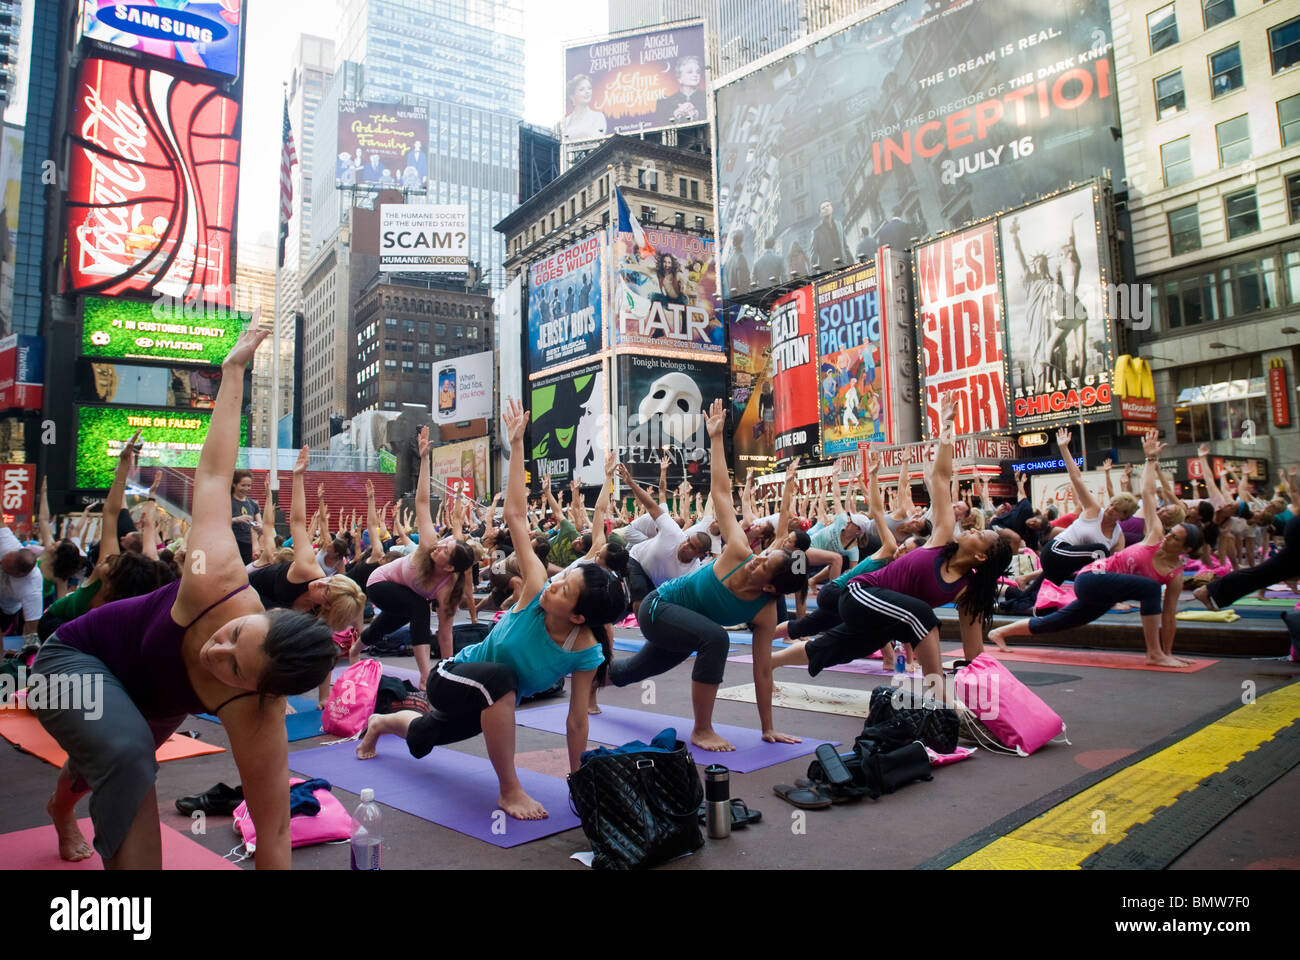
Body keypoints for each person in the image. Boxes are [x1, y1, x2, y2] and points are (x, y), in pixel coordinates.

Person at [33, 327, 337, 868]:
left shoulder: (257, 716)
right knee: (126, 759)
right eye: (234, 638)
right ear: (255, 617)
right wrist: (234, 372)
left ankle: (61, 810)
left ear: (263, 695)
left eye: (234, 670)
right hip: (72, 659)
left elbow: (275, 837)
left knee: (103, 761)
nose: (214, 654)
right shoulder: (215, 578)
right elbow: (215, 476)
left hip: (154, 698)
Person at [356, 399, 626, 820]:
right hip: (453, 676)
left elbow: (577, 722)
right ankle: (509, 790)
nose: (553, 583)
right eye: (560, 577)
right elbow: (516, 517)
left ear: (577, 616)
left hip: (492, 696)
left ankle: (379, 724)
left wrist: (579, 783)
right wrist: (517, 446)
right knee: (501, 680)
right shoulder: (537, 589)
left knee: (426, 735)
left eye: (565, 589)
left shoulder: (586, 650)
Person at [609, 399, 808, 751]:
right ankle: (702, 729)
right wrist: (716, 438)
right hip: (657, 607)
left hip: (684, 629)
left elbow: (763, 670)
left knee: (632, 672)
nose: (755, 561)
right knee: (717, 639)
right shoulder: (737, 550)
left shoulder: (764, 611)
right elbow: (720, 493)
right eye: (761, 556)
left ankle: (593, 680)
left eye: (763, 566)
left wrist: (768, 728)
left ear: (773, 587)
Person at [772, 390, 1012, 680]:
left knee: (833, 647)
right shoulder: (943, 538)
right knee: (924, 616)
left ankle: (768, 663)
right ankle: (938, 699)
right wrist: (947, 424)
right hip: (857, 593)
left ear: (981, 556)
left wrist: (994, 688)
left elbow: (974, 654)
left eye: (980, 534)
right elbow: (940, 478)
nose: (972, 529)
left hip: (886, 617)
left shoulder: (967, 591)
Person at [989, 430, 1206, 666]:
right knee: (1148, 586)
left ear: (1185, 550)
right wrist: (1151, 460)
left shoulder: (1168, 571)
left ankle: (1000, 632)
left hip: (1103, 586)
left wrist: (1170, 653)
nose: (1167, 537)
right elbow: (1147, 493)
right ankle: (1154, 654)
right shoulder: (1153, 535)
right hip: (1085, 571)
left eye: (1175, 538)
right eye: (1171, 532)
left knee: (1062, 620)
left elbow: (1169, 616)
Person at [359, 426, 475, 688]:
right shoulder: (429, 545)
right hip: (379, 582)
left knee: (388, 624)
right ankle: (424, 675)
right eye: (444, 543)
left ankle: (356, 647)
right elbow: (422, 503)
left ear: (450, 568)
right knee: (419, 607)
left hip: (404, 595)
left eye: (445, 550)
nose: (439, 547)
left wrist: (448, 669)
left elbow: (445, 632)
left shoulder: (447, 588)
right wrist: (425, 460)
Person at [1039, 429, 1138, 586]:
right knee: (1100, 551)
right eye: (1111, 504)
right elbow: (1076, 478)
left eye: (1116, 509)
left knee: (1035, 602)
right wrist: (1064, 448)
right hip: (1054, 551)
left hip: (1067, 566)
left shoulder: (1118, 536)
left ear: (1124, 517)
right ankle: (1097, 589)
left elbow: (1114, 565)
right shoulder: (1094, 509)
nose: (1110, 509)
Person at [1195, 465, 1300, 611]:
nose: (1270, 506)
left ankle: (1209, 590)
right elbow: (1243, 490)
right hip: (1294, 531)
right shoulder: (1252, 511)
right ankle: (1210, 591)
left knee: (1272, 571)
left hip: (1291, 531)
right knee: (1271, 571)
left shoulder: (1257, 515)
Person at [619, 463, 711, 614]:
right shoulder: (673, 531)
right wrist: (630, 481)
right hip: (637, 559)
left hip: (656, 583)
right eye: (687, 540)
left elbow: (694, 598)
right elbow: (651, 504)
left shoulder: (693, 572)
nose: (685, 545)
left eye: (692, 547)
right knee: (639, 593)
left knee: (649, 606)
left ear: (700, 555)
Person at [657, 56, 704, 126]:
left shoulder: (706, 97)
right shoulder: (666, 102)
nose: (695, 75)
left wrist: (696, 113)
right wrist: (675, 114)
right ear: (679, 78)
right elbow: (661, 124)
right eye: (689, 72)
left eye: (698, 72)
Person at [808, 200, 851, 272]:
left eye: (828, 205)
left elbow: (845, 247)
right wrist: (814, 276)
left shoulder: (839, 225)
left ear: (832, 208)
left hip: (843, 267)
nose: (826, 208)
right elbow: (813, 256)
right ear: (820, 213)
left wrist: (851, 265)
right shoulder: (816, 232)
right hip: (827, 271)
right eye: (823, 207)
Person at [230, 469, 261, 566]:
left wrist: (258, 526)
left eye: (249, 485)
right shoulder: (227, 501)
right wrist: (236, 519)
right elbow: (218, 522)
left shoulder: (252, 504)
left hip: (249, 544)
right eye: (243, 485)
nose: (246, 488)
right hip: (232, 542)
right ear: (234, 484)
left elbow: (260, 523)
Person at [563, 74, 607, 140]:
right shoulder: (566, 121)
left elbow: (598, 140)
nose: (587, 92)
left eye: (589, 88)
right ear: (572, 96)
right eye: (581, 89)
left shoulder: (598, 117)